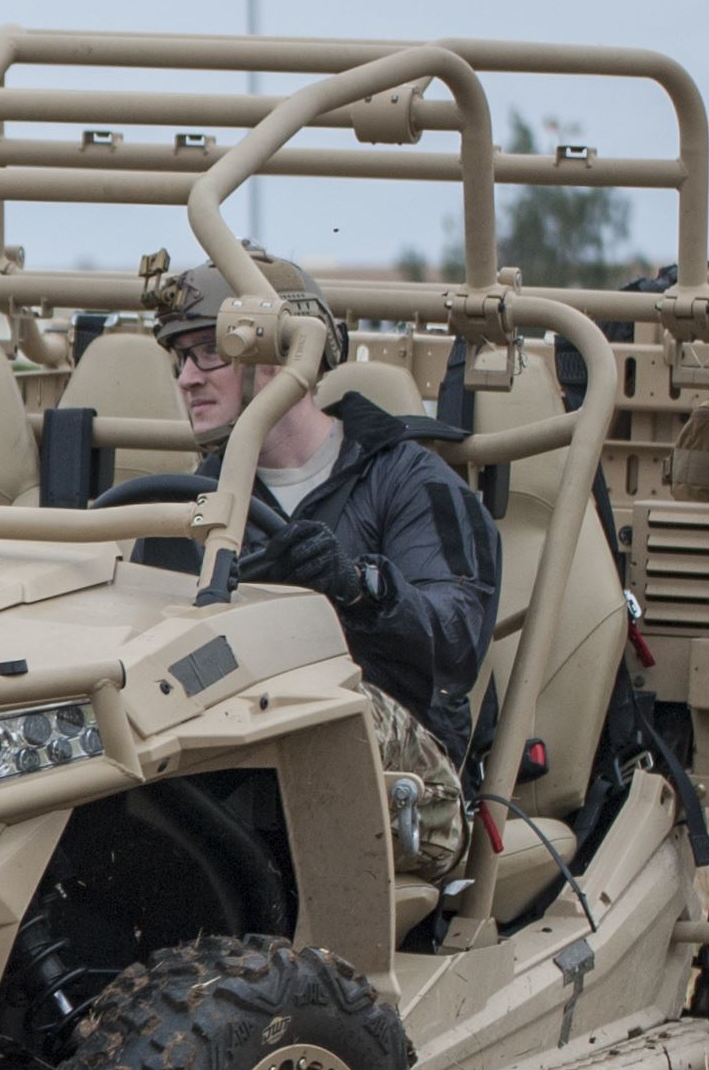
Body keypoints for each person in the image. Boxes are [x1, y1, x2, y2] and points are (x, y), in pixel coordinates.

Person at [152, 254, 498, 882]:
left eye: (210, 351)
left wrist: (360, 586)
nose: (186, 379)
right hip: (227, 767)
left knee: (311, 704)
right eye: (178, 357)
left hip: (409, 780)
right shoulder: (193, 502)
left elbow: (457, 643)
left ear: (287, 354)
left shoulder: (408, 480)